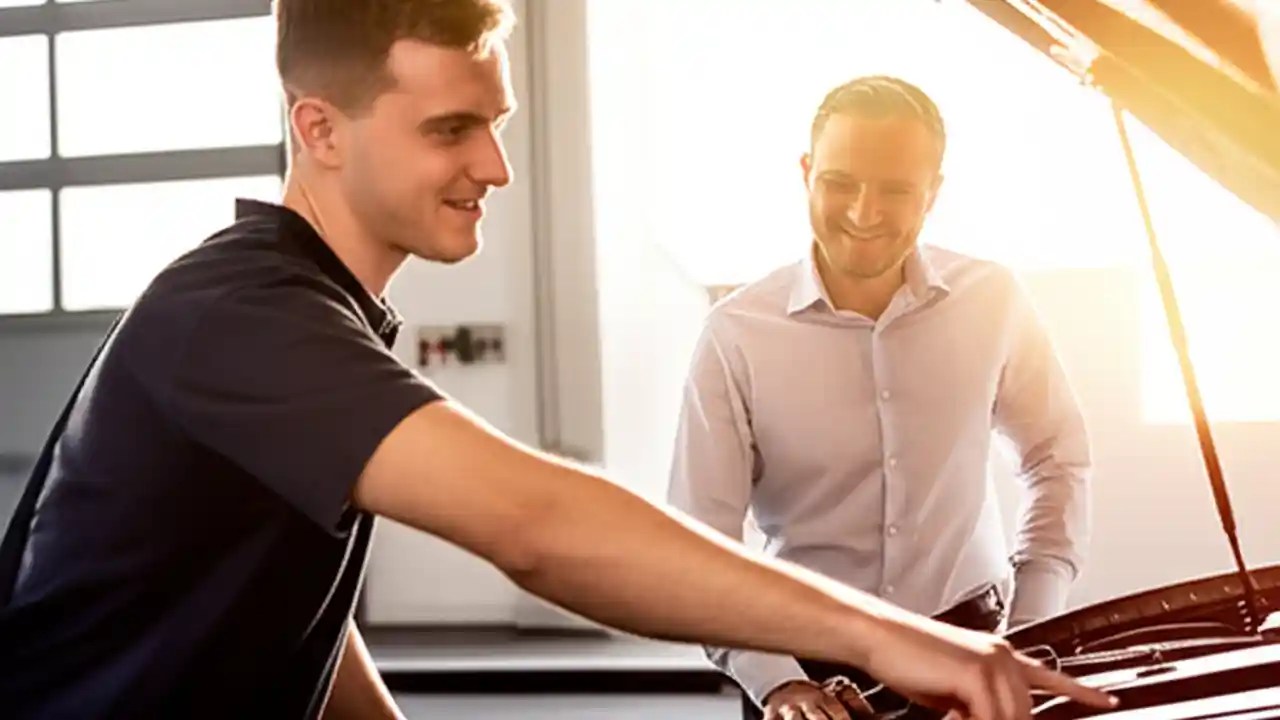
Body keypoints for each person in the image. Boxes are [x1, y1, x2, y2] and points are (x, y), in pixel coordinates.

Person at [0, 3, 1114, 719]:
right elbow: (533, 526)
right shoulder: (237, 312)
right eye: (449, 130)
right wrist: (891, 640)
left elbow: (287, 587)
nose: (495, 165)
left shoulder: (307, 315)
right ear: (321, 130)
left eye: (499, 122)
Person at [668, 76, 1093, 720]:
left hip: (972, 650)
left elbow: (1056, 460)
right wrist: (778, 683)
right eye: (841, 183)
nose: (865, 213)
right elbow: (702, 541)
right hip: (804, 672)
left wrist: (1033, 629)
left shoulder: (994, 299)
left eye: (896, 189)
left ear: (934, 193)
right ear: (806, 173)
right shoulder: (735, 334)